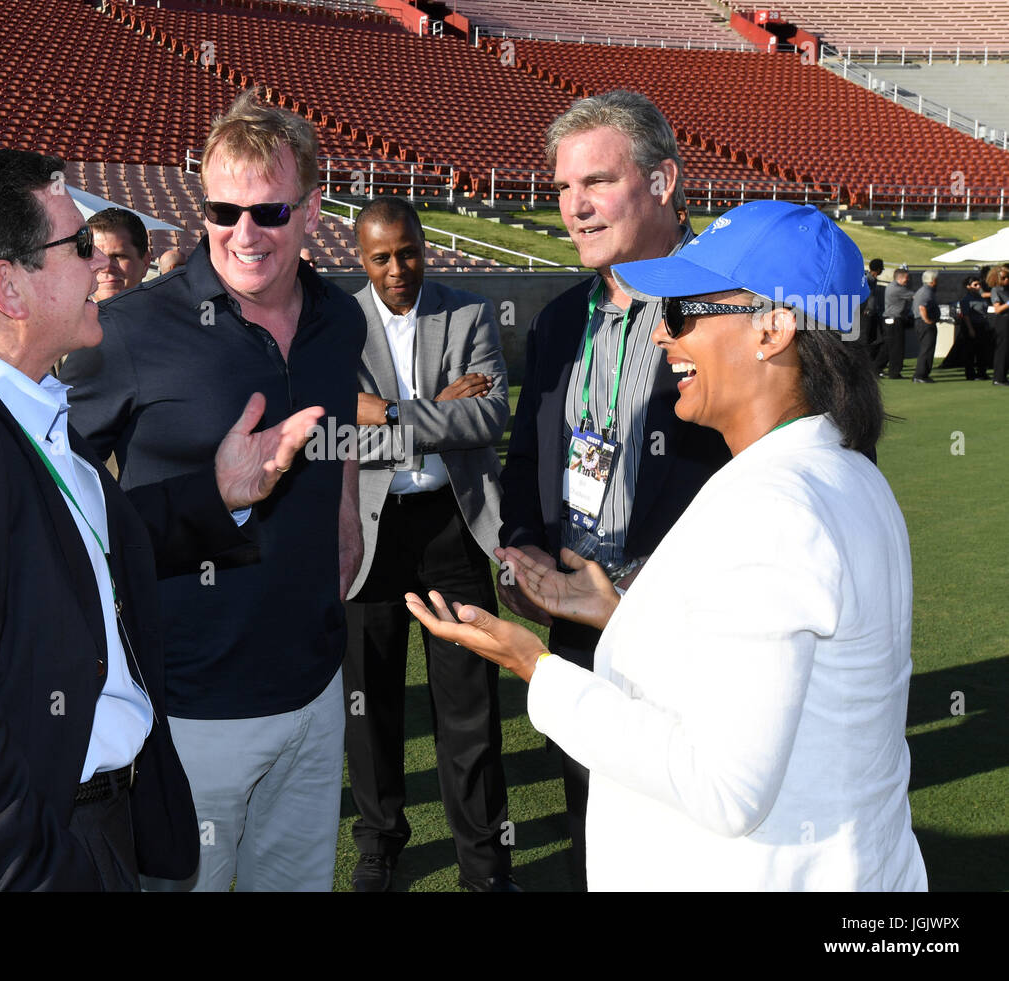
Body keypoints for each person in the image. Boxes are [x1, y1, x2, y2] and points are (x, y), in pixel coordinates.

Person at [0, 148, 323, 891]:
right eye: (79, 245)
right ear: (9, 286)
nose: (102, 262)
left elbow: (88, 549)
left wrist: (218, 492)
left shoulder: (20, 407)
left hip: (87, 829)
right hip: (18, 858)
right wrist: (48, 872)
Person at [409, 200, 928, 891]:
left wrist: (537, 667)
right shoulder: (838, 472)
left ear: (773, 328)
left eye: (682, 313)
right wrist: (620, 609)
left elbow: (723, 787)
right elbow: (760, 665)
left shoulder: (774, 506)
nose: (662, 336)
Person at [61, 91, 366, 891]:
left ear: (313, 209)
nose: (244, 233)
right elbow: (55, 495)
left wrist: (342, 510)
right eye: (223, 210)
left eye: (268, 211)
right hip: (190, 708)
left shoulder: (343, 320)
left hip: (315, 686)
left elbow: (332, 429)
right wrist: (214, 491)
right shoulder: (128, 328)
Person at [497, 89, 729, 889]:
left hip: (694, 632)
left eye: (595, 181)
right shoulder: (561, 319)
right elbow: (528, 451)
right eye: (562, 188)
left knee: (696, 837)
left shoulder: (733, 305)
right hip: (577, 624)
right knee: (595, 829)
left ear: (662, 182)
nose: (574, 206)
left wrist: (643, 587)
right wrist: (522, 550)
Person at [344, 196, 513, 892]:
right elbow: (339, 433)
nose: (397, 268)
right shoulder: (336, 324)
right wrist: (438, 409)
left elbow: (490, 416)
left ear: (424, 245)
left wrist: (387, 414)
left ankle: (485, 863)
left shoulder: (469, 311)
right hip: (371, 532)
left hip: (453, 525)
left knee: (469, 708)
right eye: (381, 256)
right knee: (370, 704)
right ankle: (381, 844)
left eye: (407, 251)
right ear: (361, 257)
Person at [89, 207, 150, 300]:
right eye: (96, 257)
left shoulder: (169, 313)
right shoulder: (65, 314)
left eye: (118, 256)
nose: (107, 268)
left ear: (145, 263)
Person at [952, 274, 990, 380]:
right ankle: (970, 374)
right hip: (972, 325)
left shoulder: (980, 298)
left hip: (981, 325)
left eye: (979, 284)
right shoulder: (966, 300)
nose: (978, 287)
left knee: (982, 350)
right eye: (975, 285)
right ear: (968, 287)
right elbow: (966, 315)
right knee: (970, 351)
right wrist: (970, 329)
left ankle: (982, 372)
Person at [881, 265, 914, 379]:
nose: (908, 281)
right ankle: (894, 372)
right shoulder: (898, 289)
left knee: (888, 347)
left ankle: (876, 368)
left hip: (889, 320)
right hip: (895, 320)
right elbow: (914, 296)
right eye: (906, 278)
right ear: (899, 278)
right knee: (897, 347)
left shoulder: (891, 286)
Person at [910, 269, 940, 383]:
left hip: (922, 323)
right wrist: (927, 320)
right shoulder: (926, 292)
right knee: (927, 349)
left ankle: (922, 374)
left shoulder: (925, 291)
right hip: (924, 324)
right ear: (932, 280)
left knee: (927, 348)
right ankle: (920, 375)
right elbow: (922, 307)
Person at [863, 257, 886, 373]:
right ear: (878, 269)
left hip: (873, 313)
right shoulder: (867, 280)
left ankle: (872, 365)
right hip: (867, 314)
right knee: (869, 340)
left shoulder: (872, 280)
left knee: (878, 340)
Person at [990, 266, 1009, 387]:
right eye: (1004, 277)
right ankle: (998, 378)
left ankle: (1003, 376)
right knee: (1002, 349)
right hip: (1003, 321)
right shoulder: (996, 290)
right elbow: (997, 309)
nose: (1007, 279)